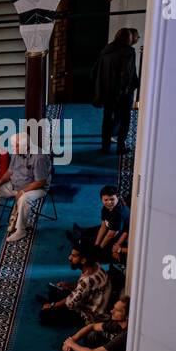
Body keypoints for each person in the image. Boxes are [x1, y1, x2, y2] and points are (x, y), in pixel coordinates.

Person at [45, 295, 129, 351]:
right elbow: (92, 326)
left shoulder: (125, 335)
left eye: (118, 311)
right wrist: (72, 339)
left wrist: (71, 344)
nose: (112, 311)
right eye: (114, 308)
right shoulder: (119, 323)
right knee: (93, 336)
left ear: (128, 316)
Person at [0, 133, 51, 242]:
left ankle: (21, 230)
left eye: (16, 146)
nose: (13, 148)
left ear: (25, 146)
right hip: (15, 184)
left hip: (35, 188)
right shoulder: (17, 151)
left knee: (24, 199)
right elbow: (10, 171)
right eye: (12, 145)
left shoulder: (38, 157)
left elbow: (41, 181)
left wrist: (23, 191)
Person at [39, 243, 111, 327]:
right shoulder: (96, 265)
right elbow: (84, 289)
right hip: (94, 300)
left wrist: (52, 305)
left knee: (45, 315)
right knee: (56, 292)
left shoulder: (86, 280)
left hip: (91, 314)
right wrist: (69, 285)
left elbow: (71, 304)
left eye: (74, 256)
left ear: (83, 260)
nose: (69, 258)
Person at [92, 27, 139, 155]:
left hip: (108, 92)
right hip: (123, 94)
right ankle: (120, 147)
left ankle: (105, 147)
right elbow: (127, 74)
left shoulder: (106, 50)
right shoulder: (128, 52)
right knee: (125, 120)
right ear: (127, 38)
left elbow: (95, 71)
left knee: (107, 119)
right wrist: (129, 88)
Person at [68, 185, 130, 262]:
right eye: (106, 200)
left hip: (121, 235)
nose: (109, 202)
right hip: (111, 227)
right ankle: (81, 235)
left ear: (118, 198)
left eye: (112, 199)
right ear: (102, 199)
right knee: (95, 233)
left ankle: (81, 241)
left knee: (89, 241)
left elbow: (111, 235)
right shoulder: (105, 208)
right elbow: (103, 226)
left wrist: (100, 247)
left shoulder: (118, 213)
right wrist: (97, 244)